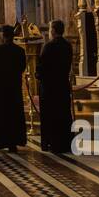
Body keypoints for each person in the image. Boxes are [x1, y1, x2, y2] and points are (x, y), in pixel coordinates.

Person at [0, 25, 27, 151]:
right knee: (13, 115)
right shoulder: (20, 51)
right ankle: (13, 143)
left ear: (3, 35)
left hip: (1, 87)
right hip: (14, 88)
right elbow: (22, 67)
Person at [37, 20, 76, 154]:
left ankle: (51, 143)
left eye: (50, 28)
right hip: (62, 85)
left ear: (53, 30)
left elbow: (41, 67)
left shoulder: (48, 46)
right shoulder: (68, 46)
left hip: (49, 87)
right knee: (64, 114)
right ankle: (66, 143)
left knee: (50, 116)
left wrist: (38, 75)